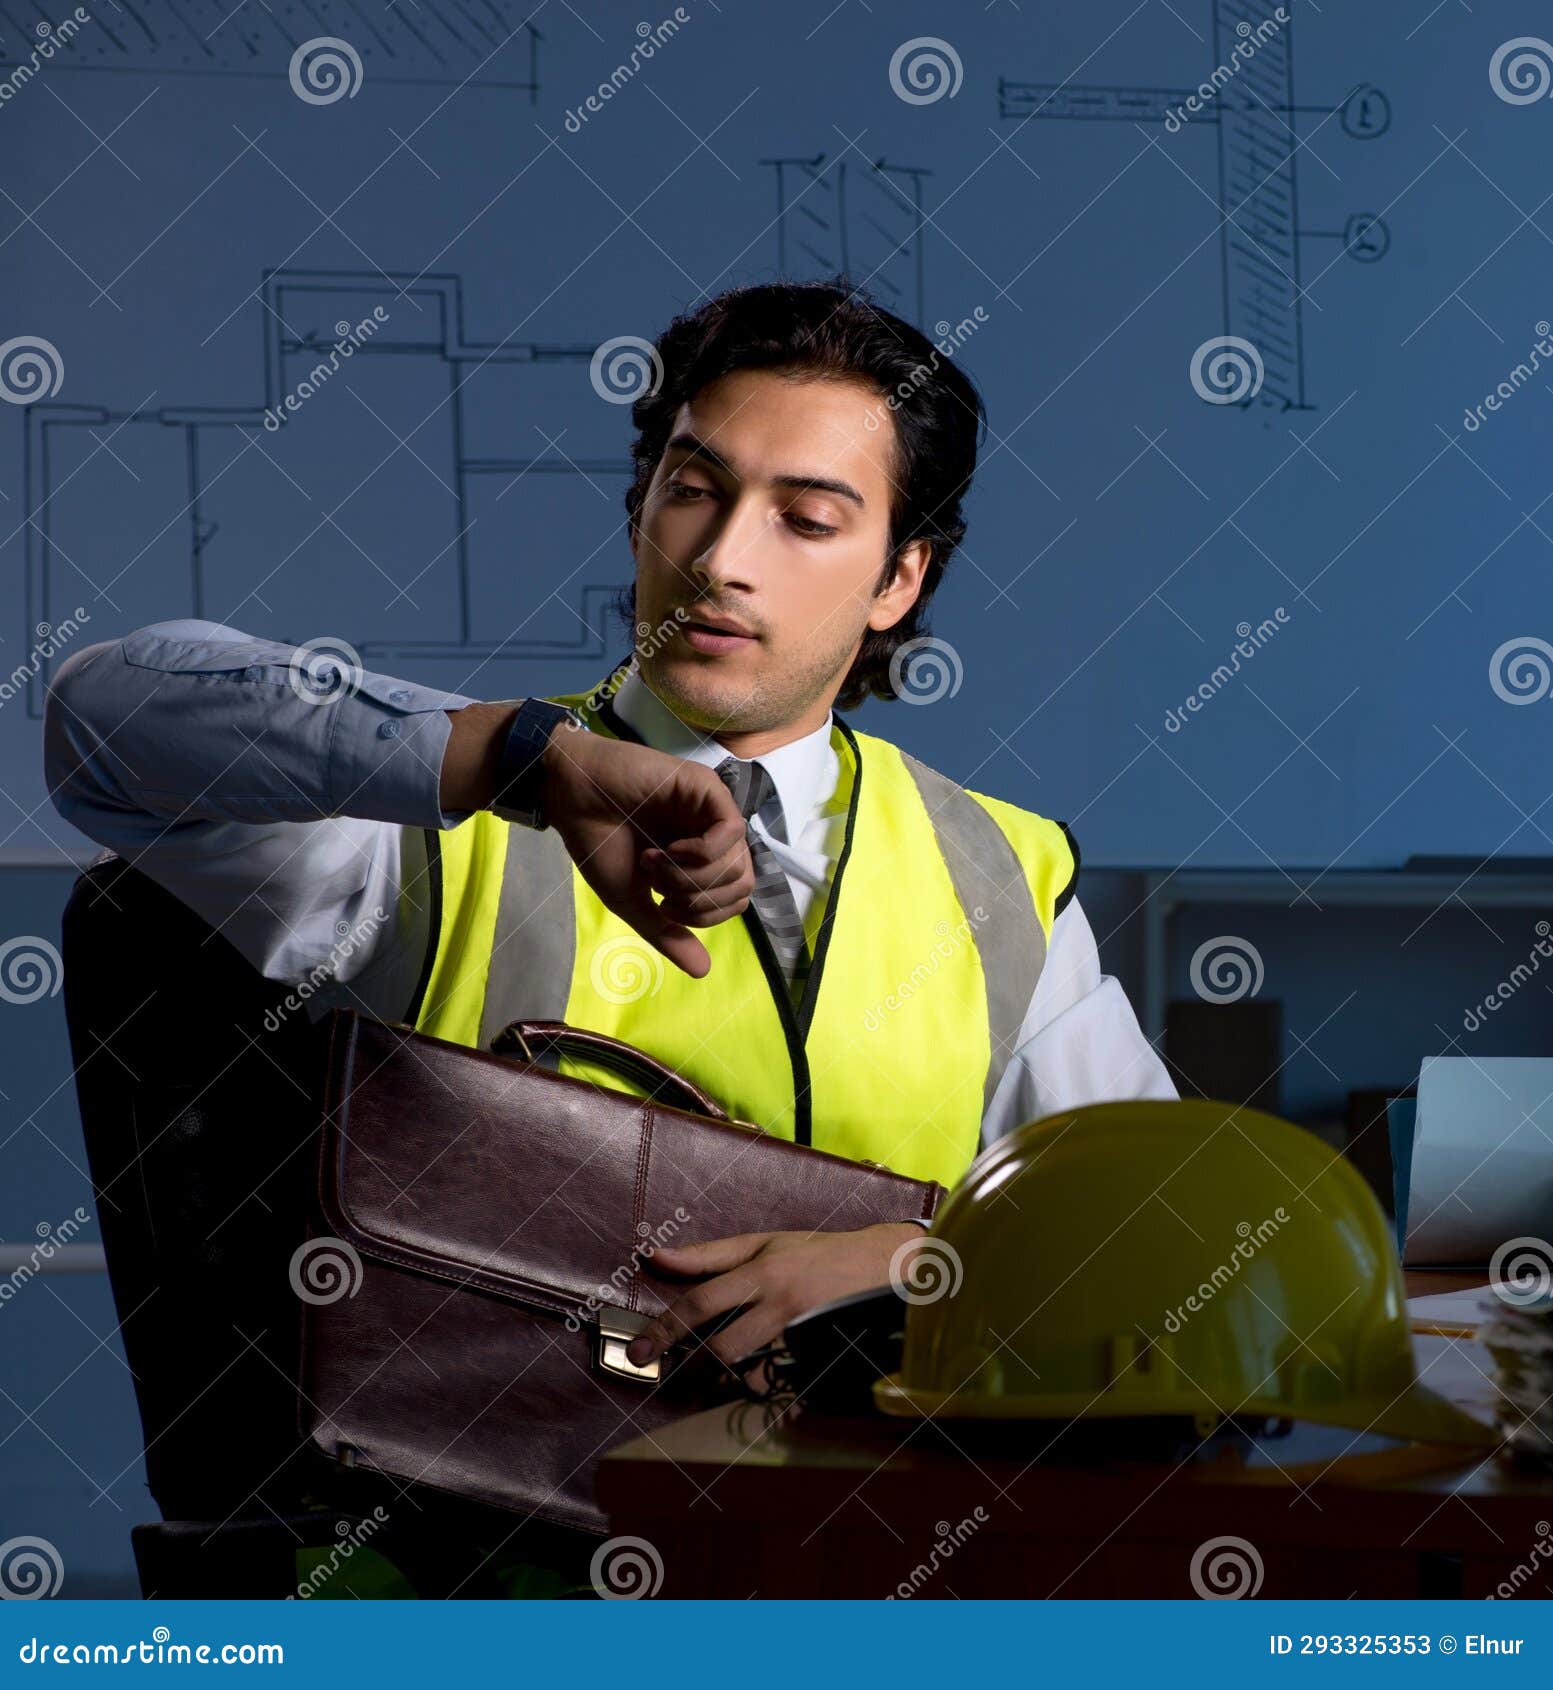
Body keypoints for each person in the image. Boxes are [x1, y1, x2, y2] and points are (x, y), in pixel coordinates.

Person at [46, 273, 1174, 1436]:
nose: (723, 558)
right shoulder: (438, 814)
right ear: (642, 505)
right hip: (491, 1577)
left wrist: (920, 1255)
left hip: (857, 1568)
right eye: (694, 490)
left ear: (897, 578)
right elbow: (100, 721)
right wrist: (524, 762)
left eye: (806, 518)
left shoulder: (999, 876)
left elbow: (1165, 1239)